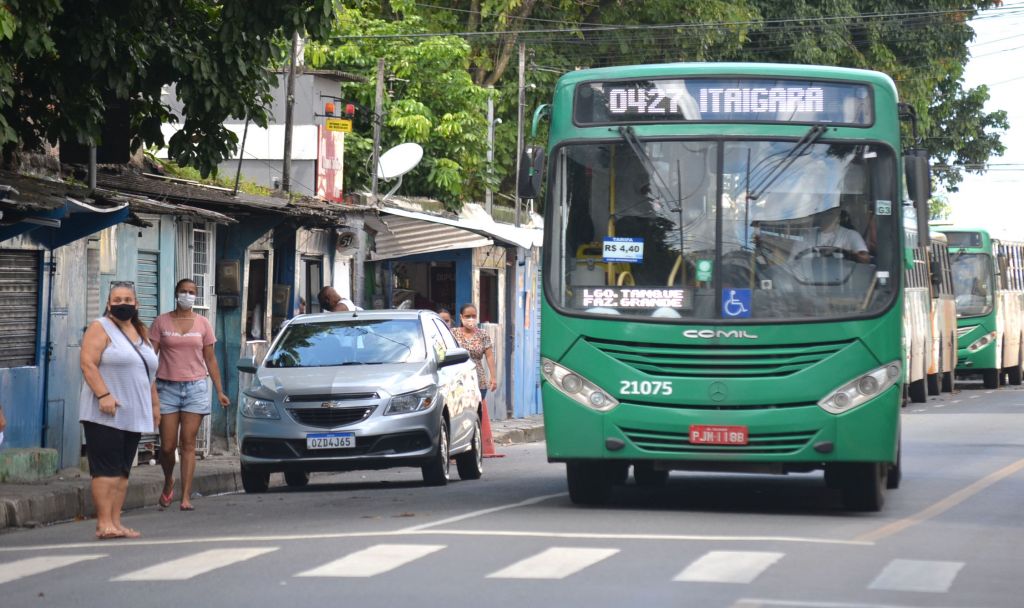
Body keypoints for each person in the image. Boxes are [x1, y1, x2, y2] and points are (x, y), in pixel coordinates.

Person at [79, 281, 159, 540]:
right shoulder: (99, 328)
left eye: (127, 299)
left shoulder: (141, 332)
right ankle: (104, 524)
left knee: (123, 471)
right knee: (106, 469)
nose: (122, 303)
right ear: (108, 303)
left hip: (134, 414)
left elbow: (149, 374)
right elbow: (87, 363)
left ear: (136, 304)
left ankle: (116, 522)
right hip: (105, 413)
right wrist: (103, 394)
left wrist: (155, 407)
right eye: (117, 299)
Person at [150, 279, 229, 511]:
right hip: (167, 388)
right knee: (167, 446)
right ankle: (168, 481)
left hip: (195, 387)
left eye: (192, 292)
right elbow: (148, 356)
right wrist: (147, 386)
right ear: (176, 294)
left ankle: (185, 497)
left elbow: (210, 359)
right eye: (183, 291)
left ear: (197, 295)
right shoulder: (161, 322)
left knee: (188, 443)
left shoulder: (203, 324)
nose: (187, 295)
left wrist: (220, 390)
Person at [789, 206, 870, 263]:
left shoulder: (851, 235)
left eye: (830, 213)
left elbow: (865, 260)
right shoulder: (806, 235)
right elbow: (792, 262)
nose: (826, 216)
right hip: (807, 283)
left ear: (838, 216)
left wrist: (851, 255)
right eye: (824, 213)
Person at [451, 304, 498, 399]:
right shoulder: (453, 333)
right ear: (461, 317)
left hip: (478, 380)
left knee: (477, 411)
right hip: (458, 381)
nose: (471, 319)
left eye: (473, 316)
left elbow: (489, 356)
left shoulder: (482, 334)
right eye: (467, 316)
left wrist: (493, 377)